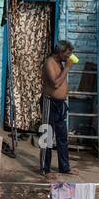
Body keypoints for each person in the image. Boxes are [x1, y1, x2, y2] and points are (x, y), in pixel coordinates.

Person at [40, 40, 75, 176]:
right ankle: (45, 168)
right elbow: (55, 84)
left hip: (61, 104)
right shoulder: (49, 63)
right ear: (60, 53)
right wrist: (67, 68)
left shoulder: (60, 62)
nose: (68, 57)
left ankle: (64, 167)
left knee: (62, 137)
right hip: (50, 102)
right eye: (67, 54)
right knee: (47, 136)